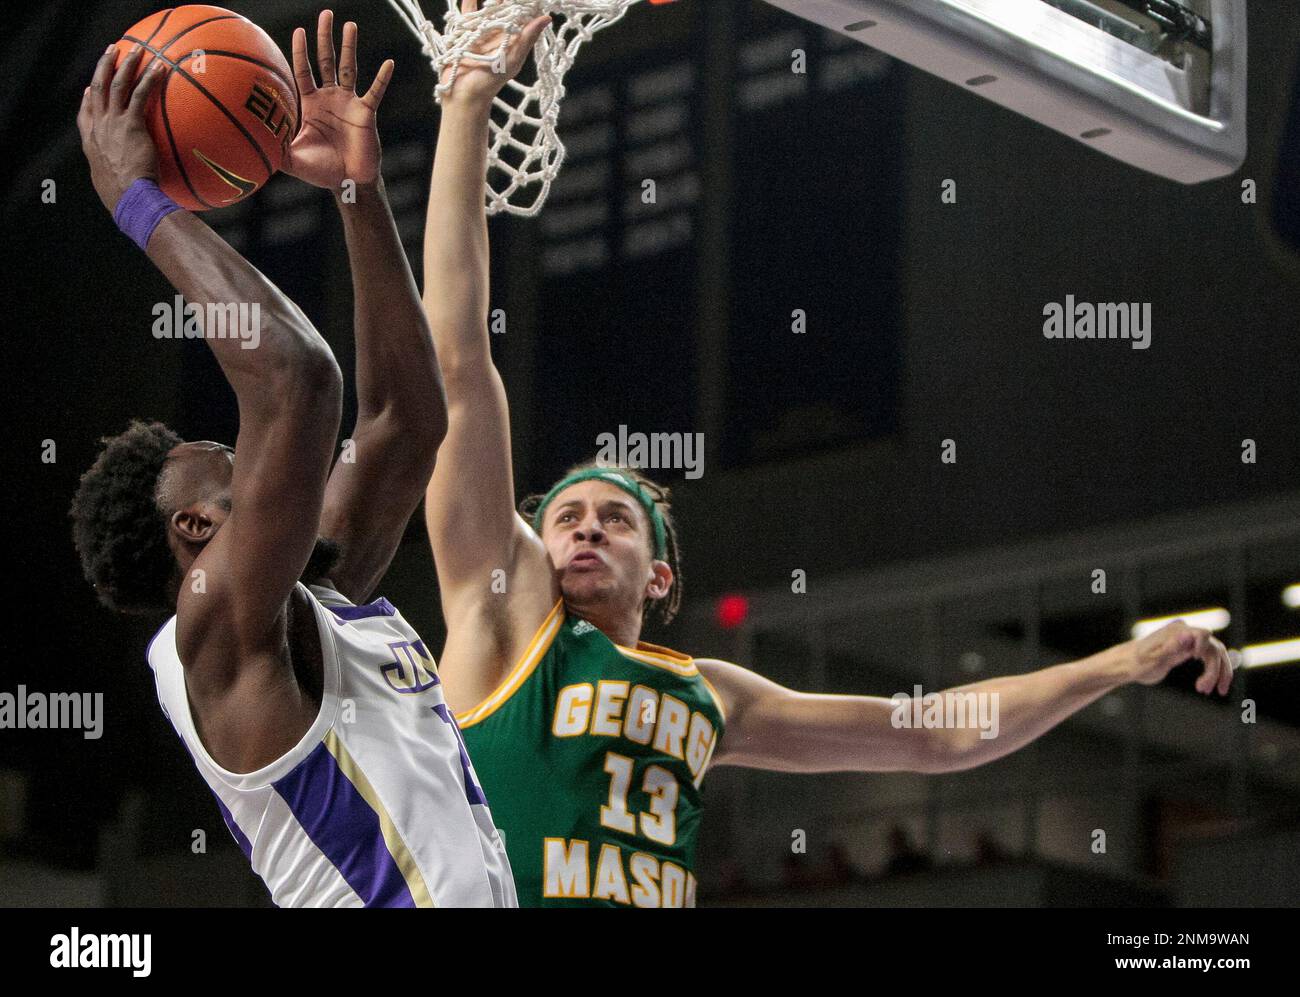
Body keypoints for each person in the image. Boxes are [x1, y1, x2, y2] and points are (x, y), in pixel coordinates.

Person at [417, 5, 1237, 907]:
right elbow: (458, 362)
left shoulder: (712, 695)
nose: (583, 530)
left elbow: (939, 733)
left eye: (616, 520)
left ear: (658, 577)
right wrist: (468, 103)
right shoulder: (503, 620)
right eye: (565, 516)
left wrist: (1119, 664)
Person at [71, 13, 514, 908]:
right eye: (234, 462)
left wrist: (358, 194)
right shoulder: (217, 636)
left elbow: (404, 422)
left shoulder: (314, 604)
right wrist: (134, 199)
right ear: (196, 526)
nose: (266, 465)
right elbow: (296, 378)